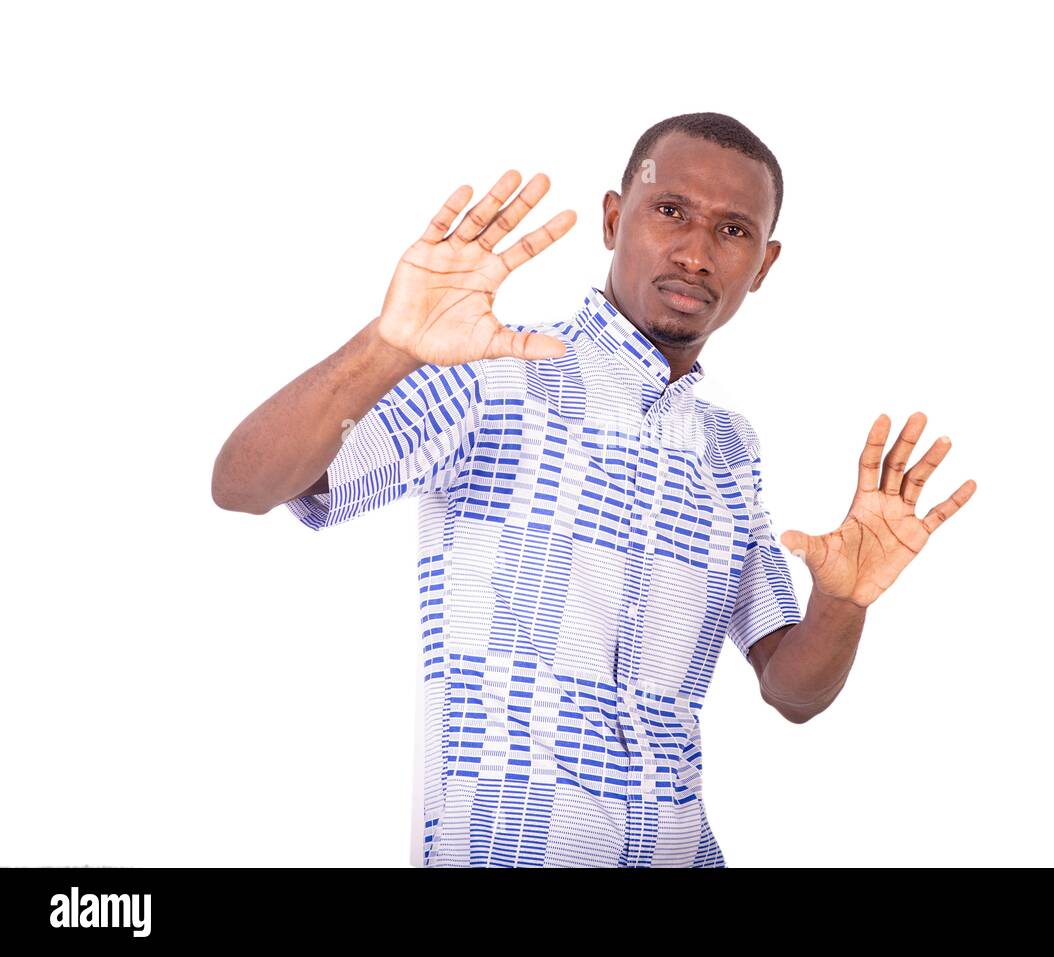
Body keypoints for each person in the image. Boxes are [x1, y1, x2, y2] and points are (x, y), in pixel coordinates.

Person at [211, 112, 976, 867]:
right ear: (615, 219)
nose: (696, 252)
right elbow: (243, 483)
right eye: (669, 210)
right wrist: (387, 346)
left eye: (733, 231)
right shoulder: (491, 374)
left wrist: (844, 600)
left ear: (765, 265)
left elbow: (794, 689)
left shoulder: (729, 449)